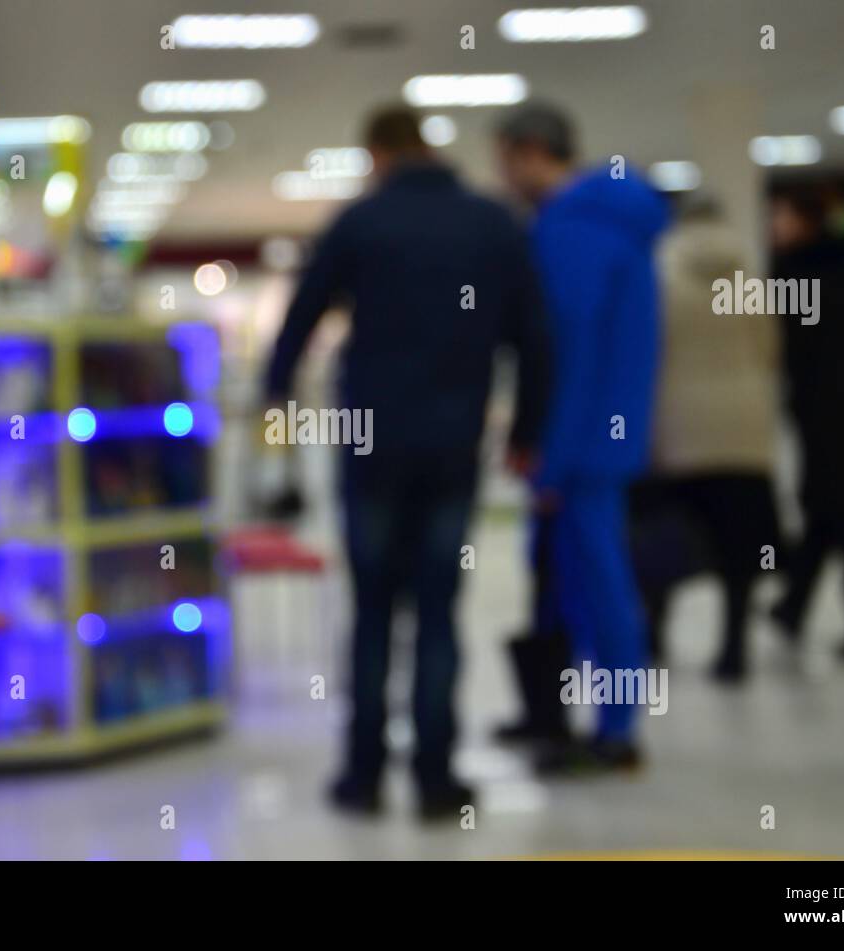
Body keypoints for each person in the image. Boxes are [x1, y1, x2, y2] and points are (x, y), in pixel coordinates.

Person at [264, 105, 547, 819]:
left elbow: (301, 315)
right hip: (454, 444)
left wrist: (276, 395)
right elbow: (534, 336)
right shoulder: (491, 222)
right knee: (438, 611)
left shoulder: (360, 222)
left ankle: (362, 773)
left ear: (378, 153)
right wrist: (528, 430)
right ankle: (435, 776)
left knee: (371, 611)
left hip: (371, 445)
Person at [494, 102, 669, 771]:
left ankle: (617, 730)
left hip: (581, 446)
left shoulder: (572, 233)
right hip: (609, 437)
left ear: (530, 151)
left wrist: (549, 460)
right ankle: (565, 716)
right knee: (587, 589)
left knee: (600, 592)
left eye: (505, 157)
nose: (503, 175)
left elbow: (567, 358)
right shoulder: (616, 228)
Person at [647, 196, 780, 683]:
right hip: (743, 427)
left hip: (677, 425)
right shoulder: (749, 274)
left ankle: (656, 633)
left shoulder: (660, 271)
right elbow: (768, 349)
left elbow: (651, 350)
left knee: (667, 534)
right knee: (738, 548)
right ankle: (733, 648)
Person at [768, 189, 844, 661]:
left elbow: (794, 354)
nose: (774, 227)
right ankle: (794, 605)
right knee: (830, 514)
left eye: (780, 216)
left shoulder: (801, 276)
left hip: (830, 420)